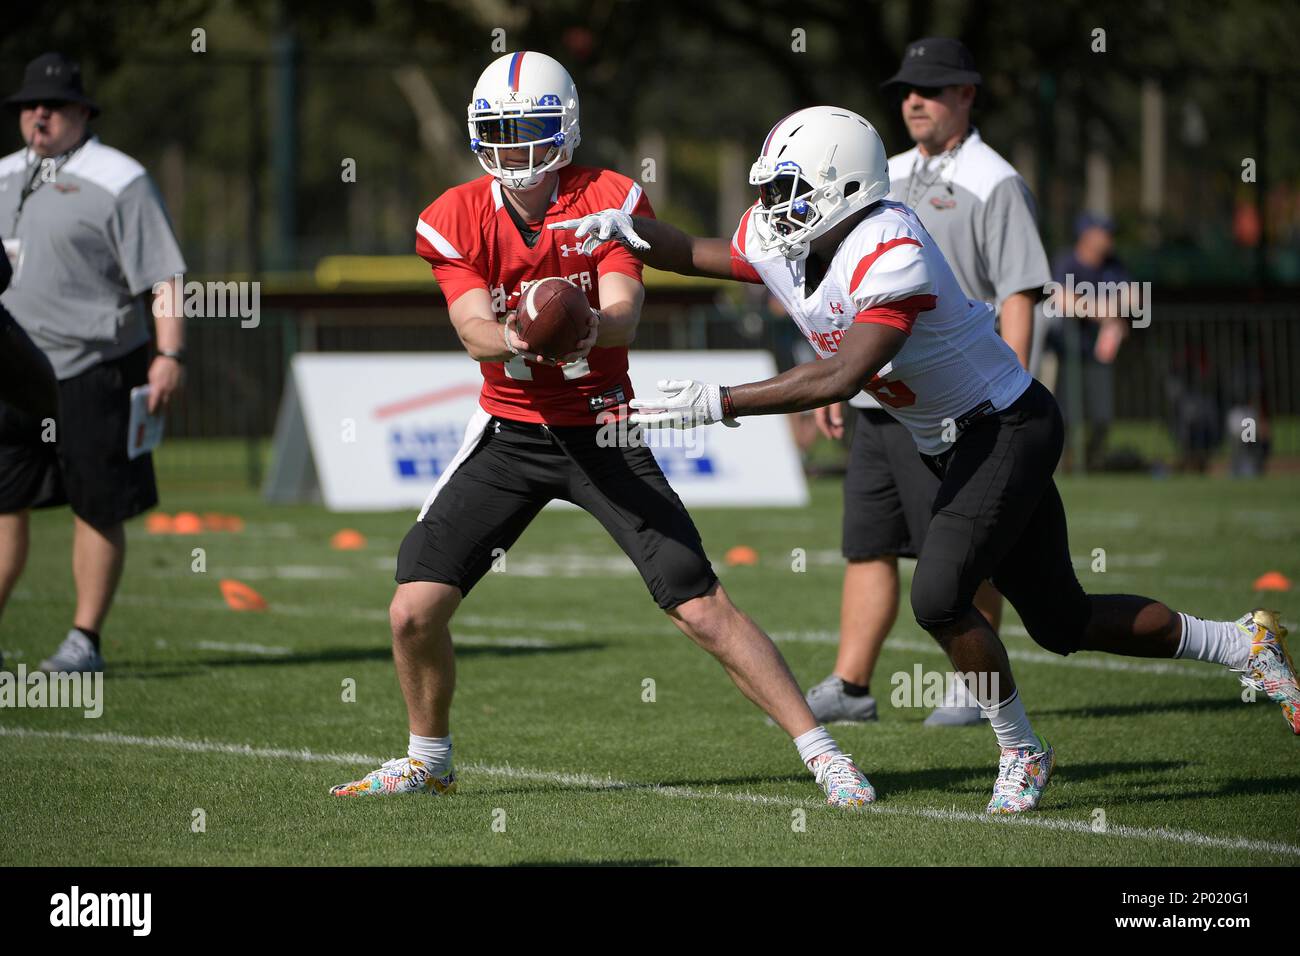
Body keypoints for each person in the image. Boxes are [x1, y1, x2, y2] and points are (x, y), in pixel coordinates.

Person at [553, 106, 1299, 812]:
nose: (772, 204)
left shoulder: (891, 245)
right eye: (770, 188)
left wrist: (721, 402)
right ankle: (1245, 644)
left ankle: (1022, 751)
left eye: (787, 188)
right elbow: (704, 253)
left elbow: (843, 374)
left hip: (1007, 425)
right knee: (1060, 620)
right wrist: (631, 232)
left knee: (939, 595)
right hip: (950, 436)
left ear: (842, 187)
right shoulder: (798, 238)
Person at [329, 53, 875, 808]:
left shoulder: (608, 197)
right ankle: (429, 759)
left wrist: (588, 328)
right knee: (412, 609)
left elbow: (624, 306)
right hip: (510, 432)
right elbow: (471, 327)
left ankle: (824, 755)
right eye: (501, 132)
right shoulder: (455, 215)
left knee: (699, 603)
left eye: (531, 131)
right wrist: (520, 337)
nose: (517, 150)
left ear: (566, 129)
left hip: (602, 429)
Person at [808, 38, 1053, 727]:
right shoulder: (882, 170)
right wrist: (836, 383)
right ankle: (851, 685)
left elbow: (1019, 295)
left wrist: (1005, 402)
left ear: (968, 95)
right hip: (876, 394)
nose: (914, 100)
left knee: (959, 551)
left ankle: (974, 687)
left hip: (957, 403)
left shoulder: (995, 180)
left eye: (933, 88)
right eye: (907, 89)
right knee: (869, 540)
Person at [0, 53, 186, 673]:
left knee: (97, 503)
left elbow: (164, 275)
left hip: (94, 366)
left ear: (83, 112)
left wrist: (168, 353)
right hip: (10, 370)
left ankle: (85, 640)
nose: (40, 113)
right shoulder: (3, 175)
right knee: (4, 504)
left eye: (53, 103)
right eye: (30, 104)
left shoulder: (120, 177)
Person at [1047, 213, 1129, 471]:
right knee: (1062, 414)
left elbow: (1133, 298)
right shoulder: (1066, 262)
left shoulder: (1114, 265)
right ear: (1087, 236)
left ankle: (1092, 462)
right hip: (1064, 353)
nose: (1109, 239)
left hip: (1099, 357)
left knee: (1102, 415)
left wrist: (1098, 311)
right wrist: (1102, 311)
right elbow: (1060, 298)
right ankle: (1060, 463)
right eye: (1104, 233)